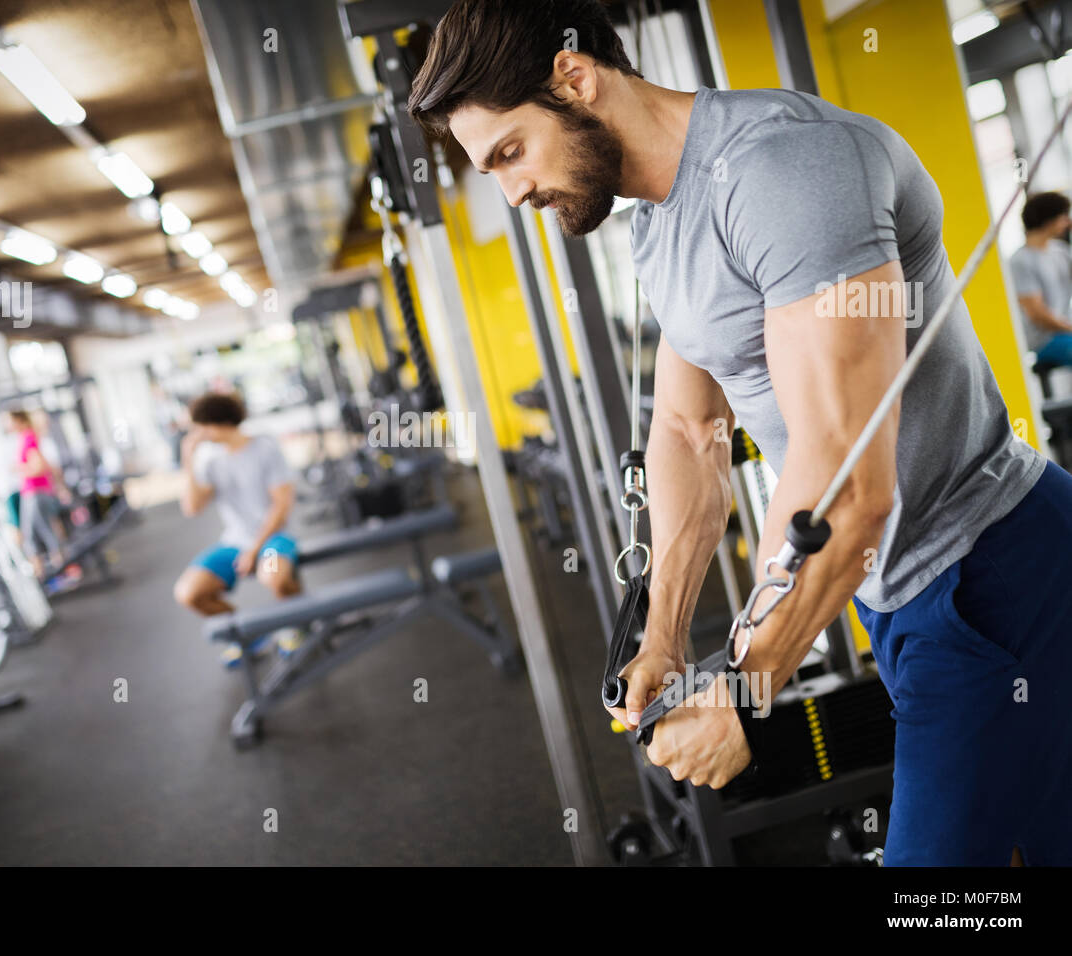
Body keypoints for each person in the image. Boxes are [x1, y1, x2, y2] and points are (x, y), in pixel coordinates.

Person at [407, 0, 1071, 866]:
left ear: (575, 79)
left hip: (990, 576)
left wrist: (744, 693)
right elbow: (688, 427)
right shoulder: (655, 217)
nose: (516, 191)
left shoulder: (785, 169)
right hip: (900, 595)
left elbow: (853, 486)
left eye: (510, 151)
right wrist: (666, 635)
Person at [172, 393, 302, 666]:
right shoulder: (208, 459)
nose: (197, 434)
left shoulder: (265, 449)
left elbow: (281, 506)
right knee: (189, 593)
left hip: (272, 539)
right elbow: (192, 508)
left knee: (273, 577)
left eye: (200, 426)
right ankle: (250, 638)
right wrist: (188, 460)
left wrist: (255, 549)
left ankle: (295, 626)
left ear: (216, 424)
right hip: (233, 542)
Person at [1009, 191, 1072, 368]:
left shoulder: (1060, 251)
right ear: (1049, 220)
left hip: (1065, 333)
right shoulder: (1020, 260)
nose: (1067, 222)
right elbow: (1037, 314)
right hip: (1043, 340)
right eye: (1063, 217)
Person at [6, 410, 68, 579]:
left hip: (35, 492)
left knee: (36, 533)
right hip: (35, 492)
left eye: (8, 421)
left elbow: (40, 467)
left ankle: (56, 571)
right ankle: (49, 571)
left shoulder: (28, 437)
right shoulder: (27, 438)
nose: (6, 425)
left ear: (18, 421)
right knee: (41, 531)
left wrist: (18, 469)